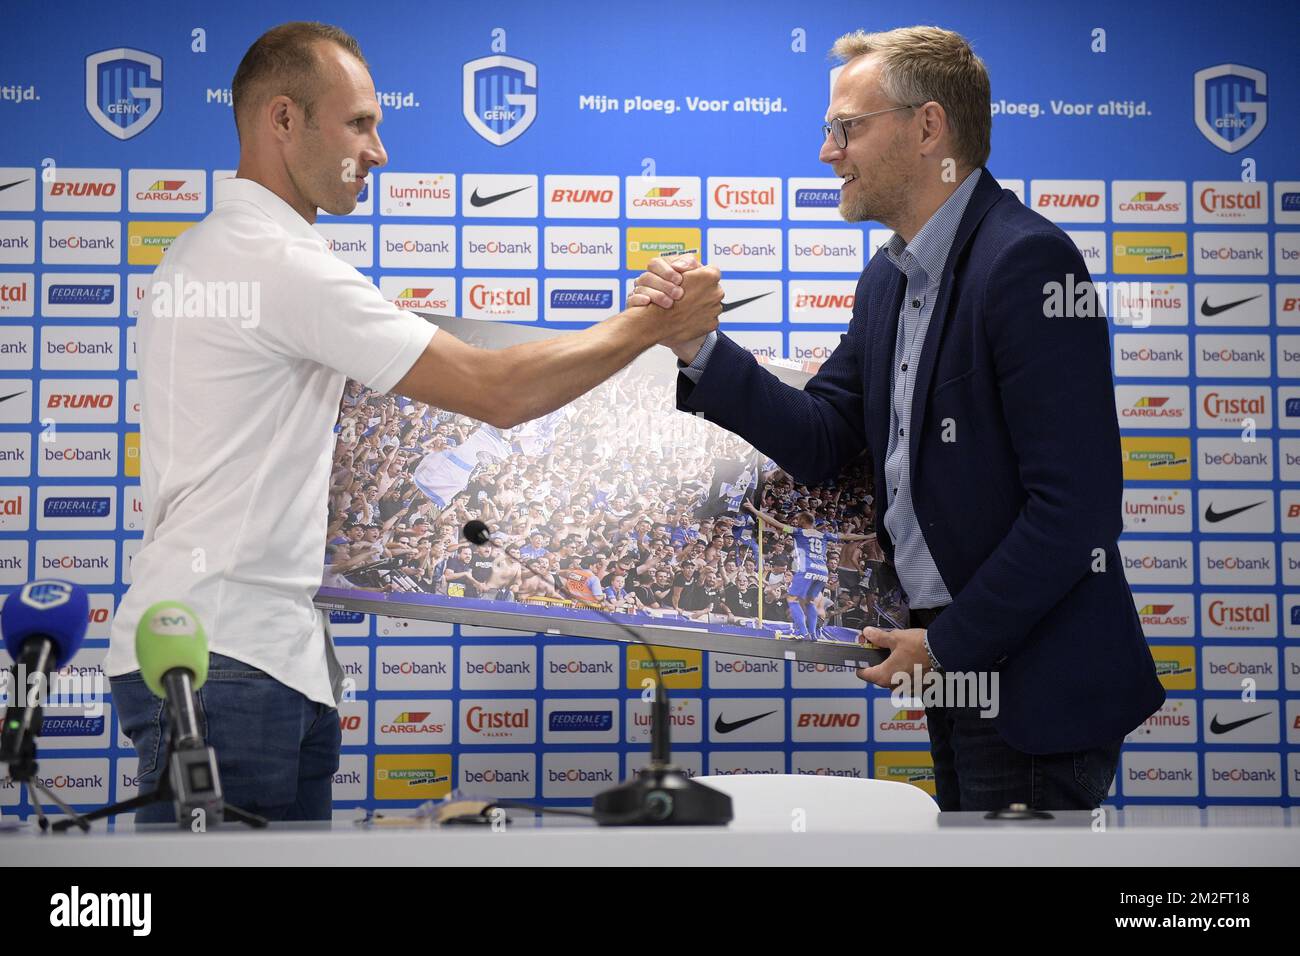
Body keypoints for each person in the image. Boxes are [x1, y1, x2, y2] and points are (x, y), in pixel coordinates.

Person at [106, 20, 722, 823]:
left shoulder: (212, 252)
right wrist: (648, 326)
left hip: (252, 655)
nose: (380, 150)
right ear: (283, 120)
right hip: (228, 660)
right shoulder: (276, 260)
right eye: (359, 122)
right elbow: (496, 390)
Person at [643, 25, 1164, 810]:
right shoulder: (887, 280)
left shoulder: (1027, 261)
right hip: (961, 667)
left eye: (845, 128)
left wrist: (949, 647)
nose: (828, 152)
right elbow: (824, 437)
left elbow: (1078, 511)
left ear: (928, 128)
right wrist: (699, 347)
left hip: (1032, 687)